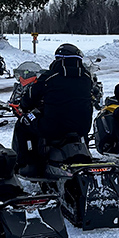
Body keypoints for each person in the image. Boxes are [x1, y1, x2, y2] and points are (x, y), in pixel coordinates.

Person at [13, 43, 94, 174]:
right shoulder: (87, 77)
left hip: (53, 126)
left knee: (23, 123)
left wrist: (24, 104)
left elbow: (30, 97)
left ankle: (28, 164)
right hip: (83, 127)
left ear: (59, 59)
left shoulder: (50, 77)